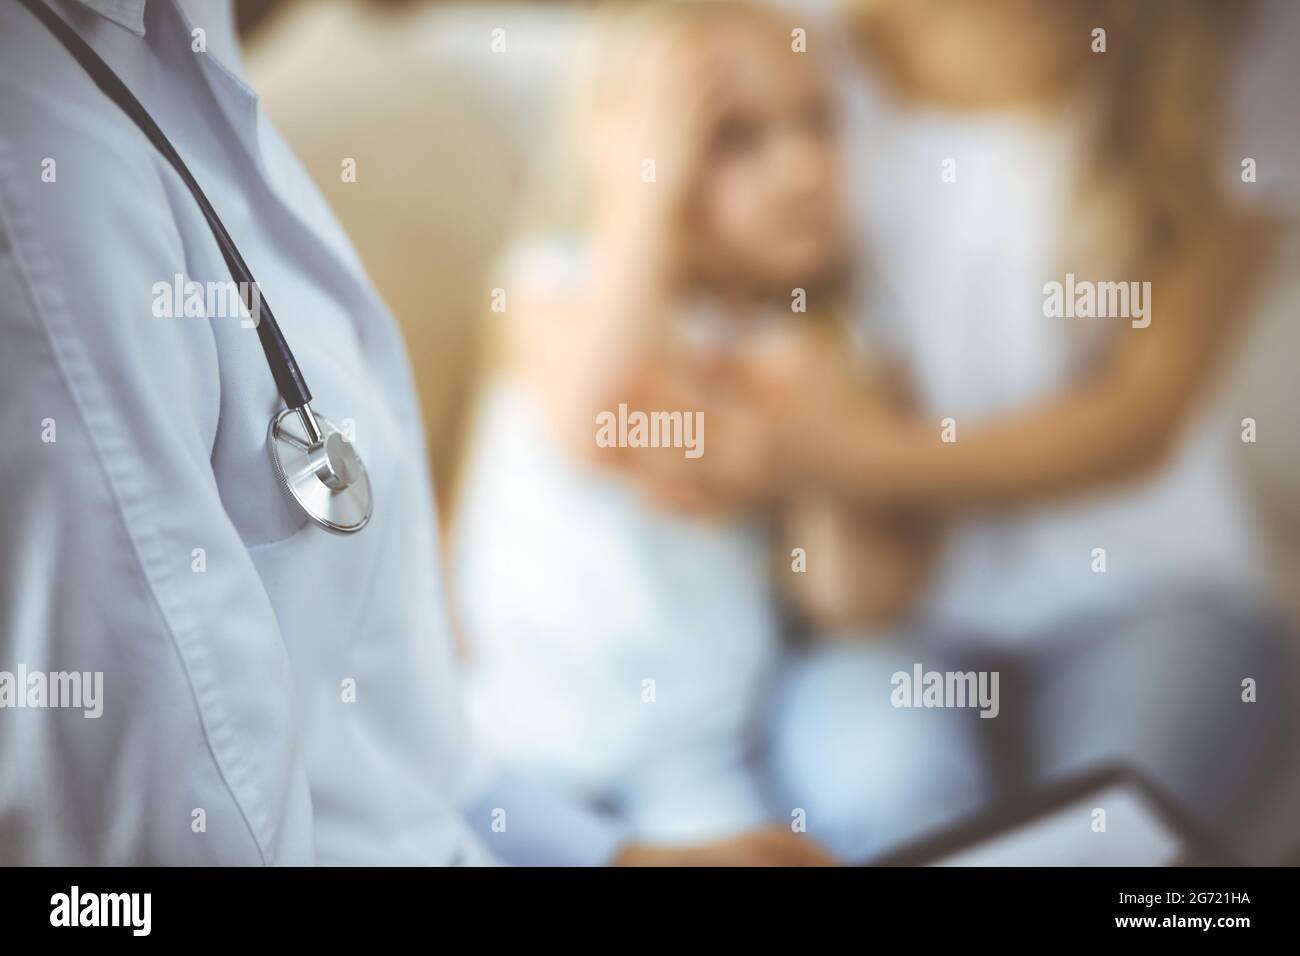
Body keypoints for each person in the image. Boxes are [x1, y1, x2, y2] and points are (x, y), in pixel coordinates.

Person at [453, 0, 882, 864]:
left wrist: (813, 464)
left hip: (697, 759)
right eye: (734, 137)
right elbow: (594, 414)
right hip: (513, 741)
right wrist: (643, 190)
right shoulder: (552, 288)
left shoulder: (815, 351)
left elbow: (852, 598)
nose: (802, 167)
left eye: (819, 122)